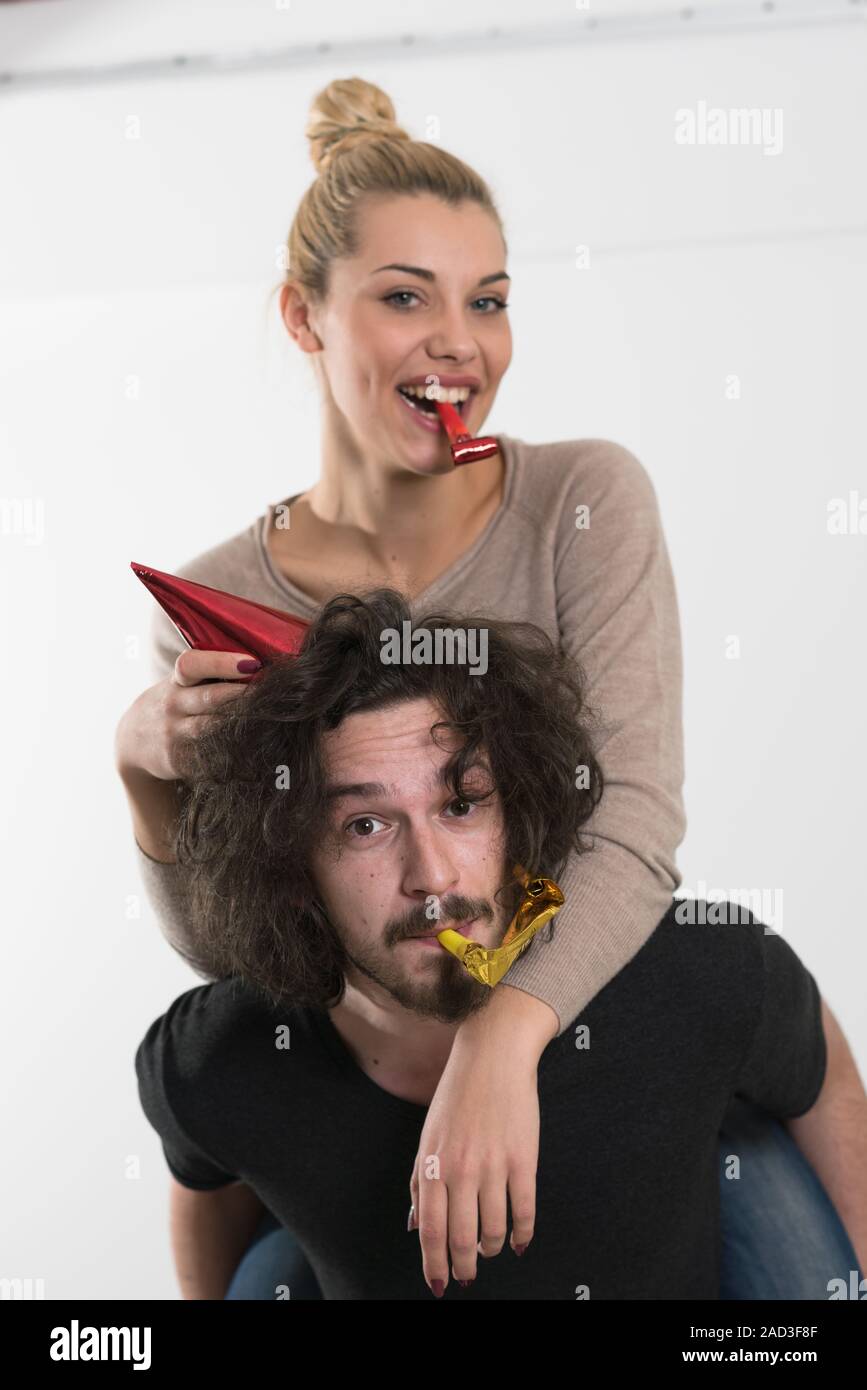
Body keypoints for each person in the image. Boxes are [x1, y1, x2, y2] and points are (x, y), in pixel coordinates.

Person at [116, 75, 852, 1296]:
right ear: (305, 317)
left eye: (490, 301)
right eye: (407, 297)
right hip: (379, 1075)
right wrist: (143, 771)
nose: (462, 341)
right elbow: (246, 939)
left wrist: (504, 1040)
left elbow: (637, 821)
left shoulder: (581, 500)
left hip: (601, 1036)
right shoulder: (215, 595)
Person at [135, 589, 867, 1300]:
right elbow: (205, 1178)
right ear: (292, 866)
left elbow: (819, 1075)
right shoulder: (220, 1054)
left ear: (518, 813)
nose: (432, 876)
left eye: (460, 804)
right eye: (365, 825)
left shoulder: (698, 970)